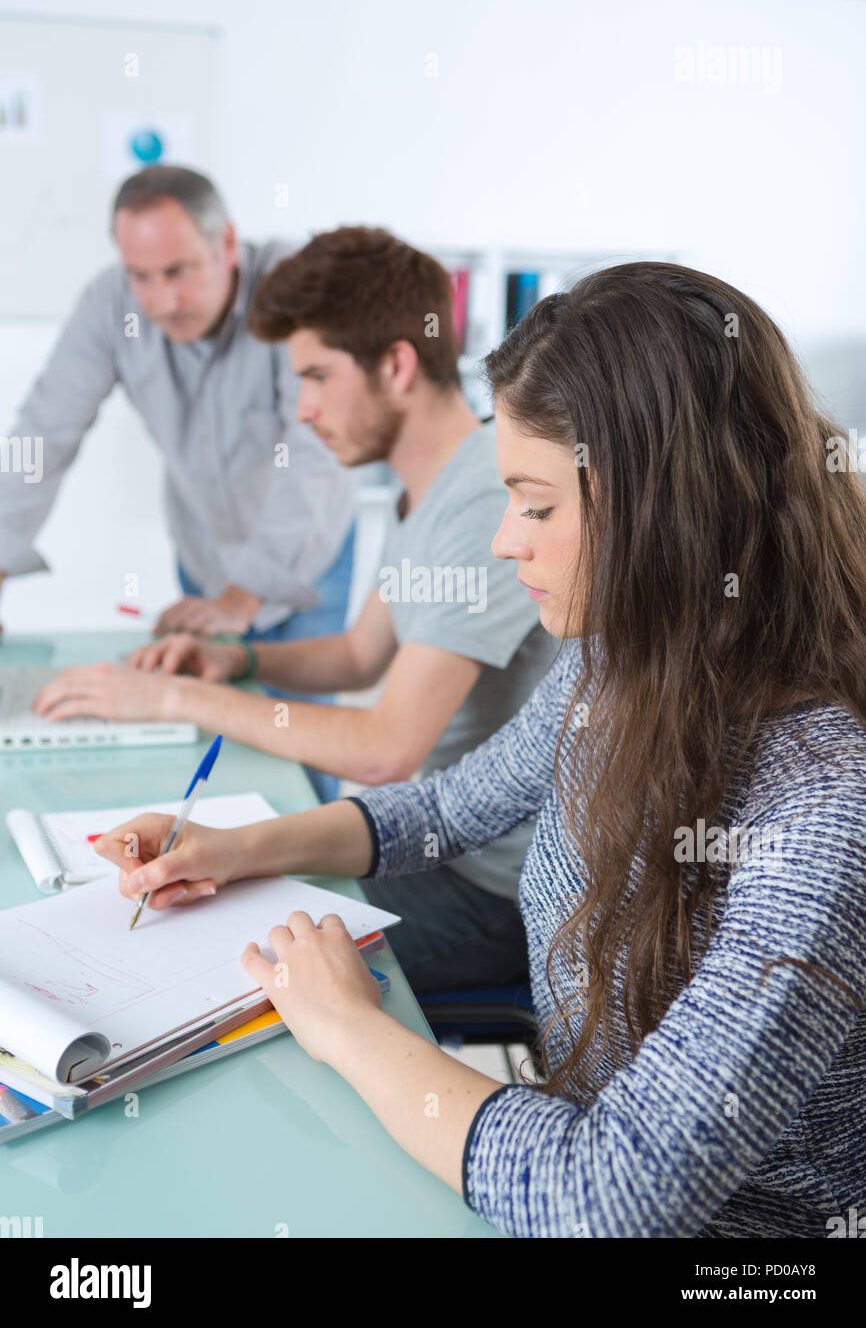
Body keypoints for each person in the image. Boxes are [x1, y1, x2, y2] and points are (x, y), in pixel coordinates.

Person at [93, 261, 866, 1238]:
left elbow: (607, 1198)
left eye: (536, 505)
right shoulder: (610, 668)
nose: (507, 541)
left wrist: (349, 1025)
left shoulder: (822, 810)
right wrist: (233, 847)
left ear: (667, 510)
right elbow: (450, 807)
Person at [34, 227, 556, 992]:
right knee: (199, 914)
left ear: (397, 364)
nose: (302, 410)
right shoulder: (430, 485)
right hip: (430, 847)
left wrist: (172, 696)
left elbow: (386, 749)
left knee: (206, 966)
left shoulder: (483, 498)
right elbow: (357, 655)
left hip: (485, 897)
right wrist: (237, 660)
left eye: (316, 376)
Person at [0, 165, 357, 801]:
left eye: (179, 271)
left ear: (227, 244)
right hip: (205, 555)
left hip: (306, 560)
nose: (162, 301)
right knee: (210, 743)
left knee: (301, 748)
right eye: (142, 276)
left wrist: (246, 595)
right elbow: (43, 432)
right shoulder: (110, 305)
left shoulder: (293, 287)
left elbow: (316, 453)